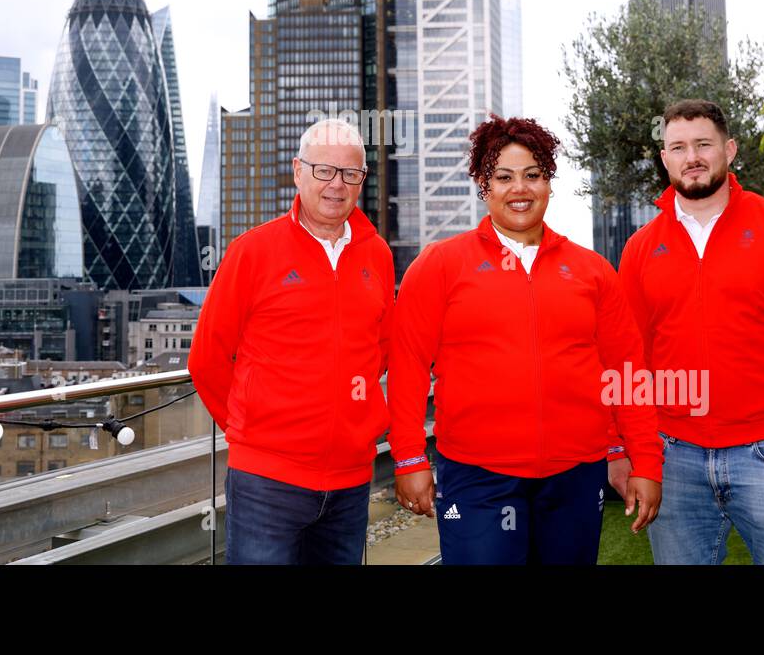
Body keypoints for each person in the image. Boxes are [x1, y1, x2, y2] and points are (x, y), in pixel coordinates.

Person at [387, 115, 661, 565]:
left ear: (549, 182)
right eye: (504, 177)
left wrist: (645, 461)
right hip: (476, 478)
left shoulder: (592, 271)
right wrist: (409, 460)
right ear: (483, 184)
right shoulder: (440, 264)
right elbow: (408, 369)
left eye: (532, 175)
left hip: (574, 476)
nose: (520, 189)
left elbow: (626, 372)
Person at [614, 99, 764, 564]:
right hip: (673, 457)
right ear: (665, 159)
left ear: (729, 149)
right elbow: (627, 357)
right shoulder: (640, 249)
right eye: (678, 147)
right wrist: (622, 447)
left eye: (703, 144)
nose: (692, 156)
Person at [188, 119, 394, 564]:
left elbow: (380, 349)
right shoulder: (252, 251)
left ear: (362, 181)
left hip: (352, 481)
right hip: (267, 483)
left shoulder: (377, 255)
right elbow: (207, 359)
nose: (336, 185)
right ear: (298, 171)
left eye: (350, 174)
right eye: (324, 171)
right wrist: (254, 431)